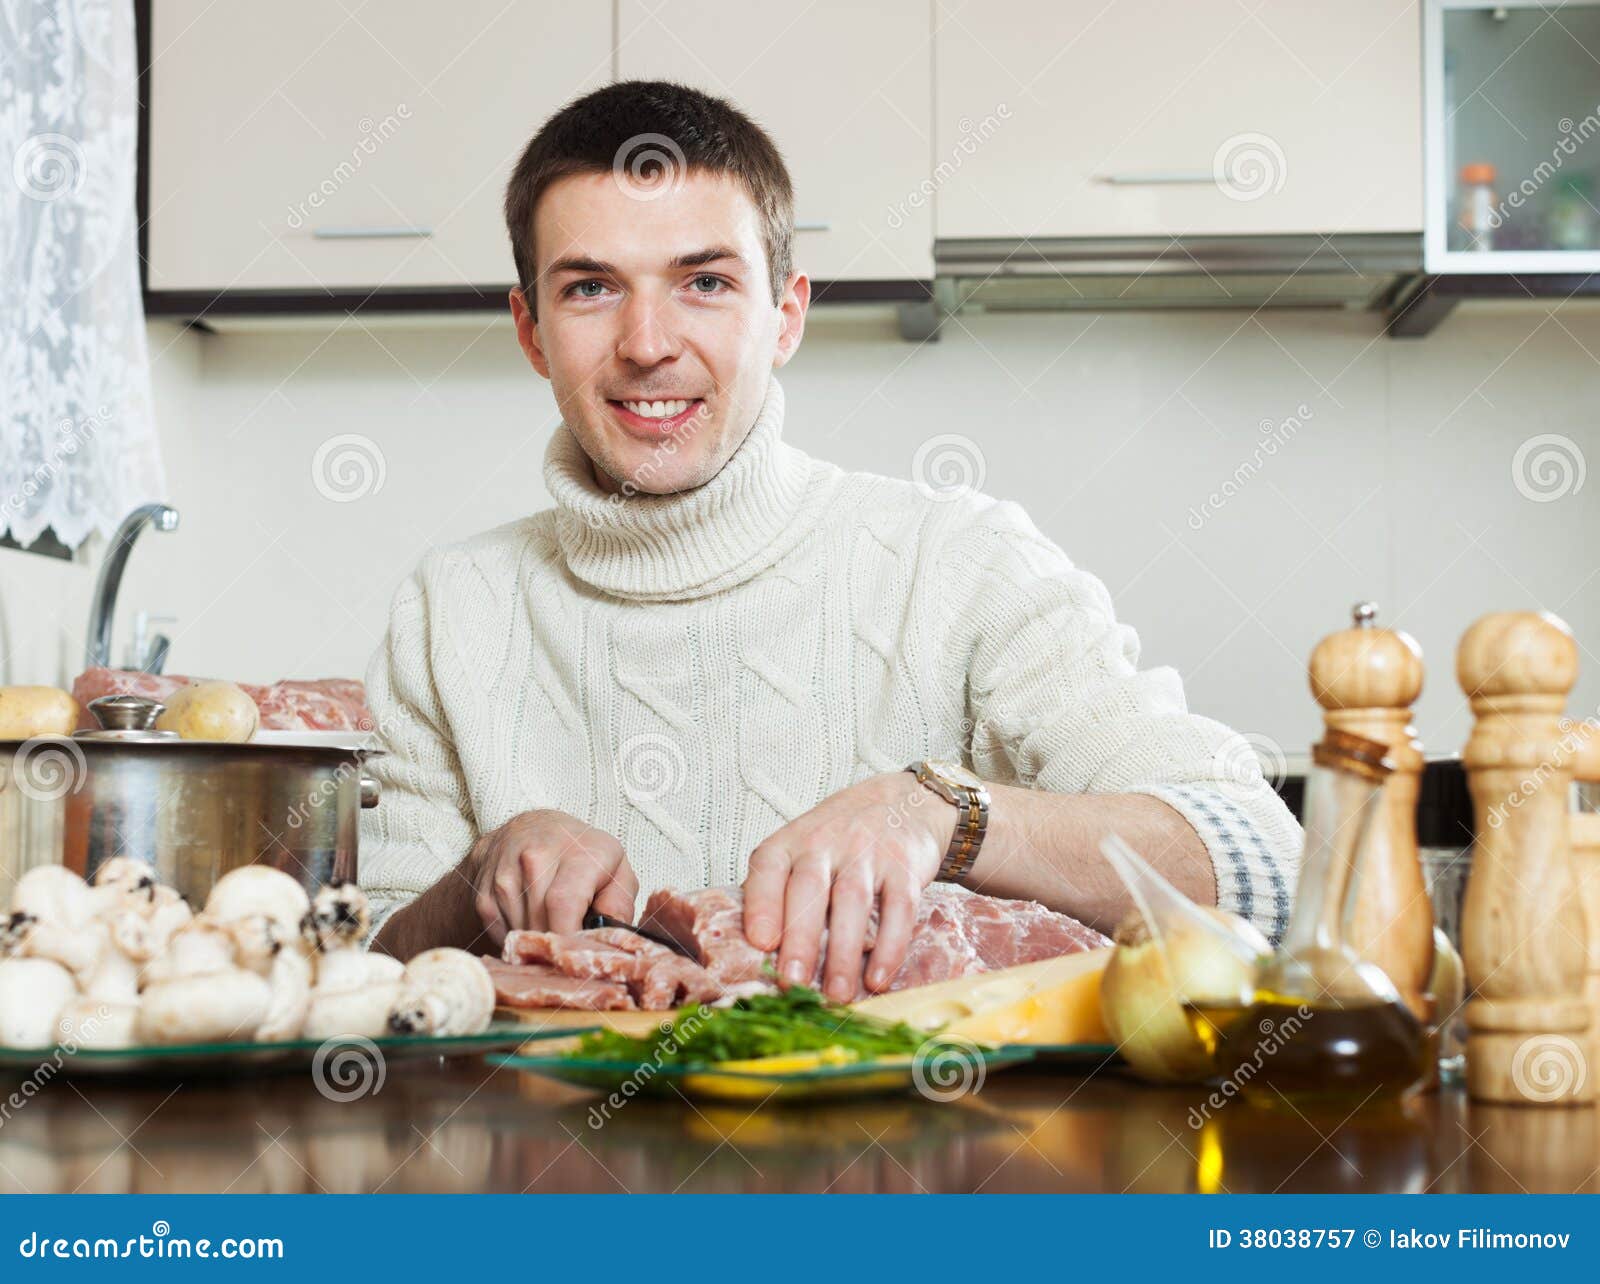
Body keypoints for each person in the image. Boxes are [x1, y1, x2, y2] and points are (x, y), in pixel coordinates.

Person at [364, 80, 1300, 999]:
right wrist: (474, 876)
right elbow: (362, 964)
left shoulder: (962, 564)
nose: (647, 343)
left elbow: (1266, 862)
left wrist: (945, 815)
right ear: (531, 330)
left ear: (786, 316)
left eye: (705, 283)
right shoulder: (452, 610)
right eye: (591, 288)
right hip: (555, 1109)